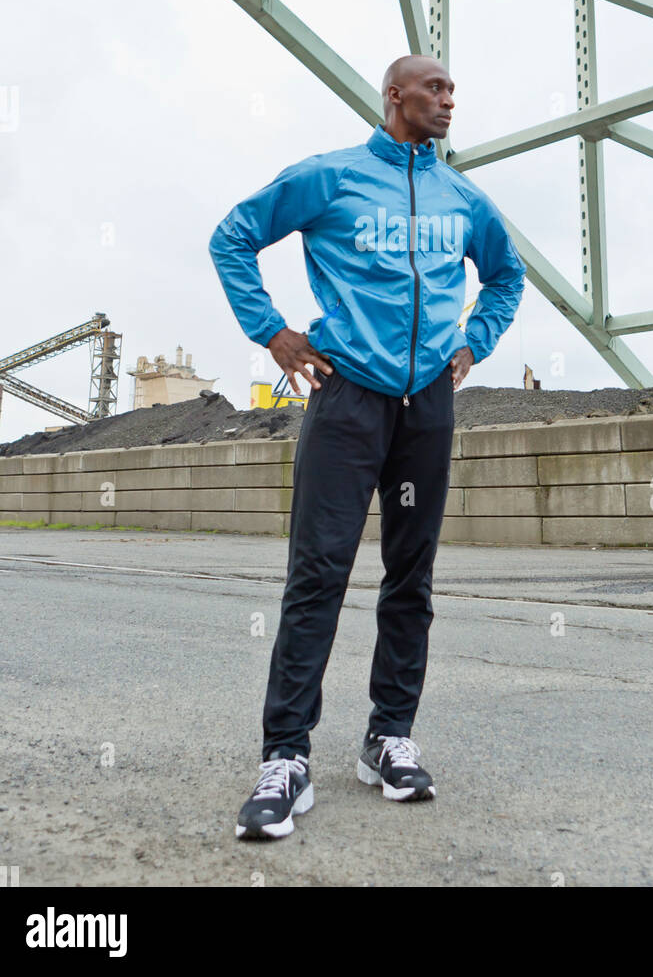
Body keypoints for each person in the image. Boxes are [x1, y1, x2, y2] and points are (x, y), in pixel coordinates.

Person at [208, 55, 526, 840]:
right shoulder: (333, 177)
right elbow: (233, 236)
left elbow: (507, 276)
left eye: (454, 88)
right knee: (318, 573)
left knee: (411, 578)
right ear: (395, 96)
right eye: (436, 88)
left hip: (428, 408)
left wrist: (474, 343)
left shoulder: (463, 198)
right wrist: (274, 334)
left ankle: (389, 739)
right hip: (347, 399)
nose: (450, 99)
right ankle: (285, 757)